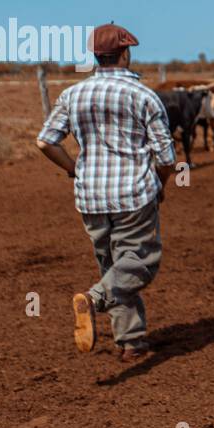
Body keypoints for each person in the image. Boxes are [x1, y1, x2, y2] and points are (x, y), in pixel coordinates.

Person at [35, 23, 176, 363]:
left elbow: (44, 141)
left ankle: (131, 342)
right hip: (133, 195)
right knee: (140, 261)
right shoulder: (143, 96)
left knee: (113, 265)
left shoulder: (73, 94)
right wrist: (159, 184)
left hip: (90, 197)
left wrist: (73, 169)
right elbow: (167, 157)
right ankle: (95, 298)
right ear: (125, 53)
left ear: (96, 56)